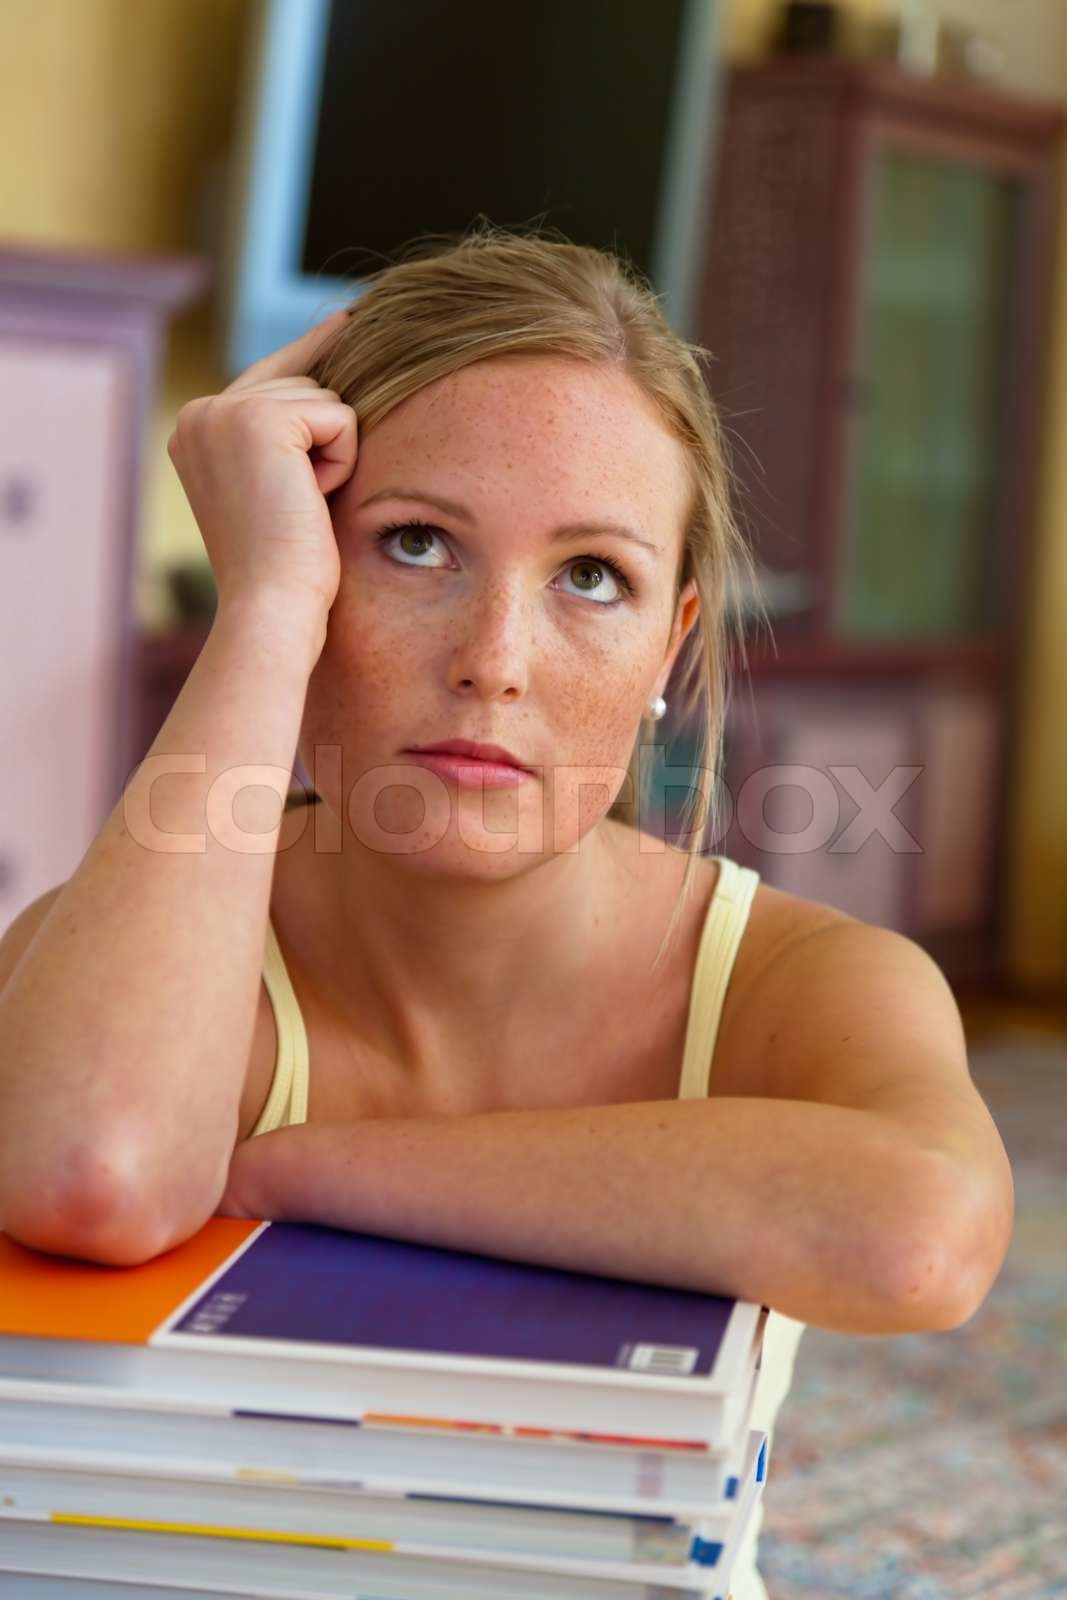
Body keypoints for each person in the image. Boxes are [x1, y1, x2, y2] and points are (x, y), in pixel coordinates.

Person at [0, 224, 1013, 1600]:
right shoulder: (138, 955)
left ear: (671, 641)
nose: (495, 663)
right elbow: (91, 1172)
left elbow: (920, 1238)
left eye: (592, 576)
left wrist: (294, 1172)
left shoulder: (804, 982)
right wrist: (265, 608)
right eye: (415, 544)